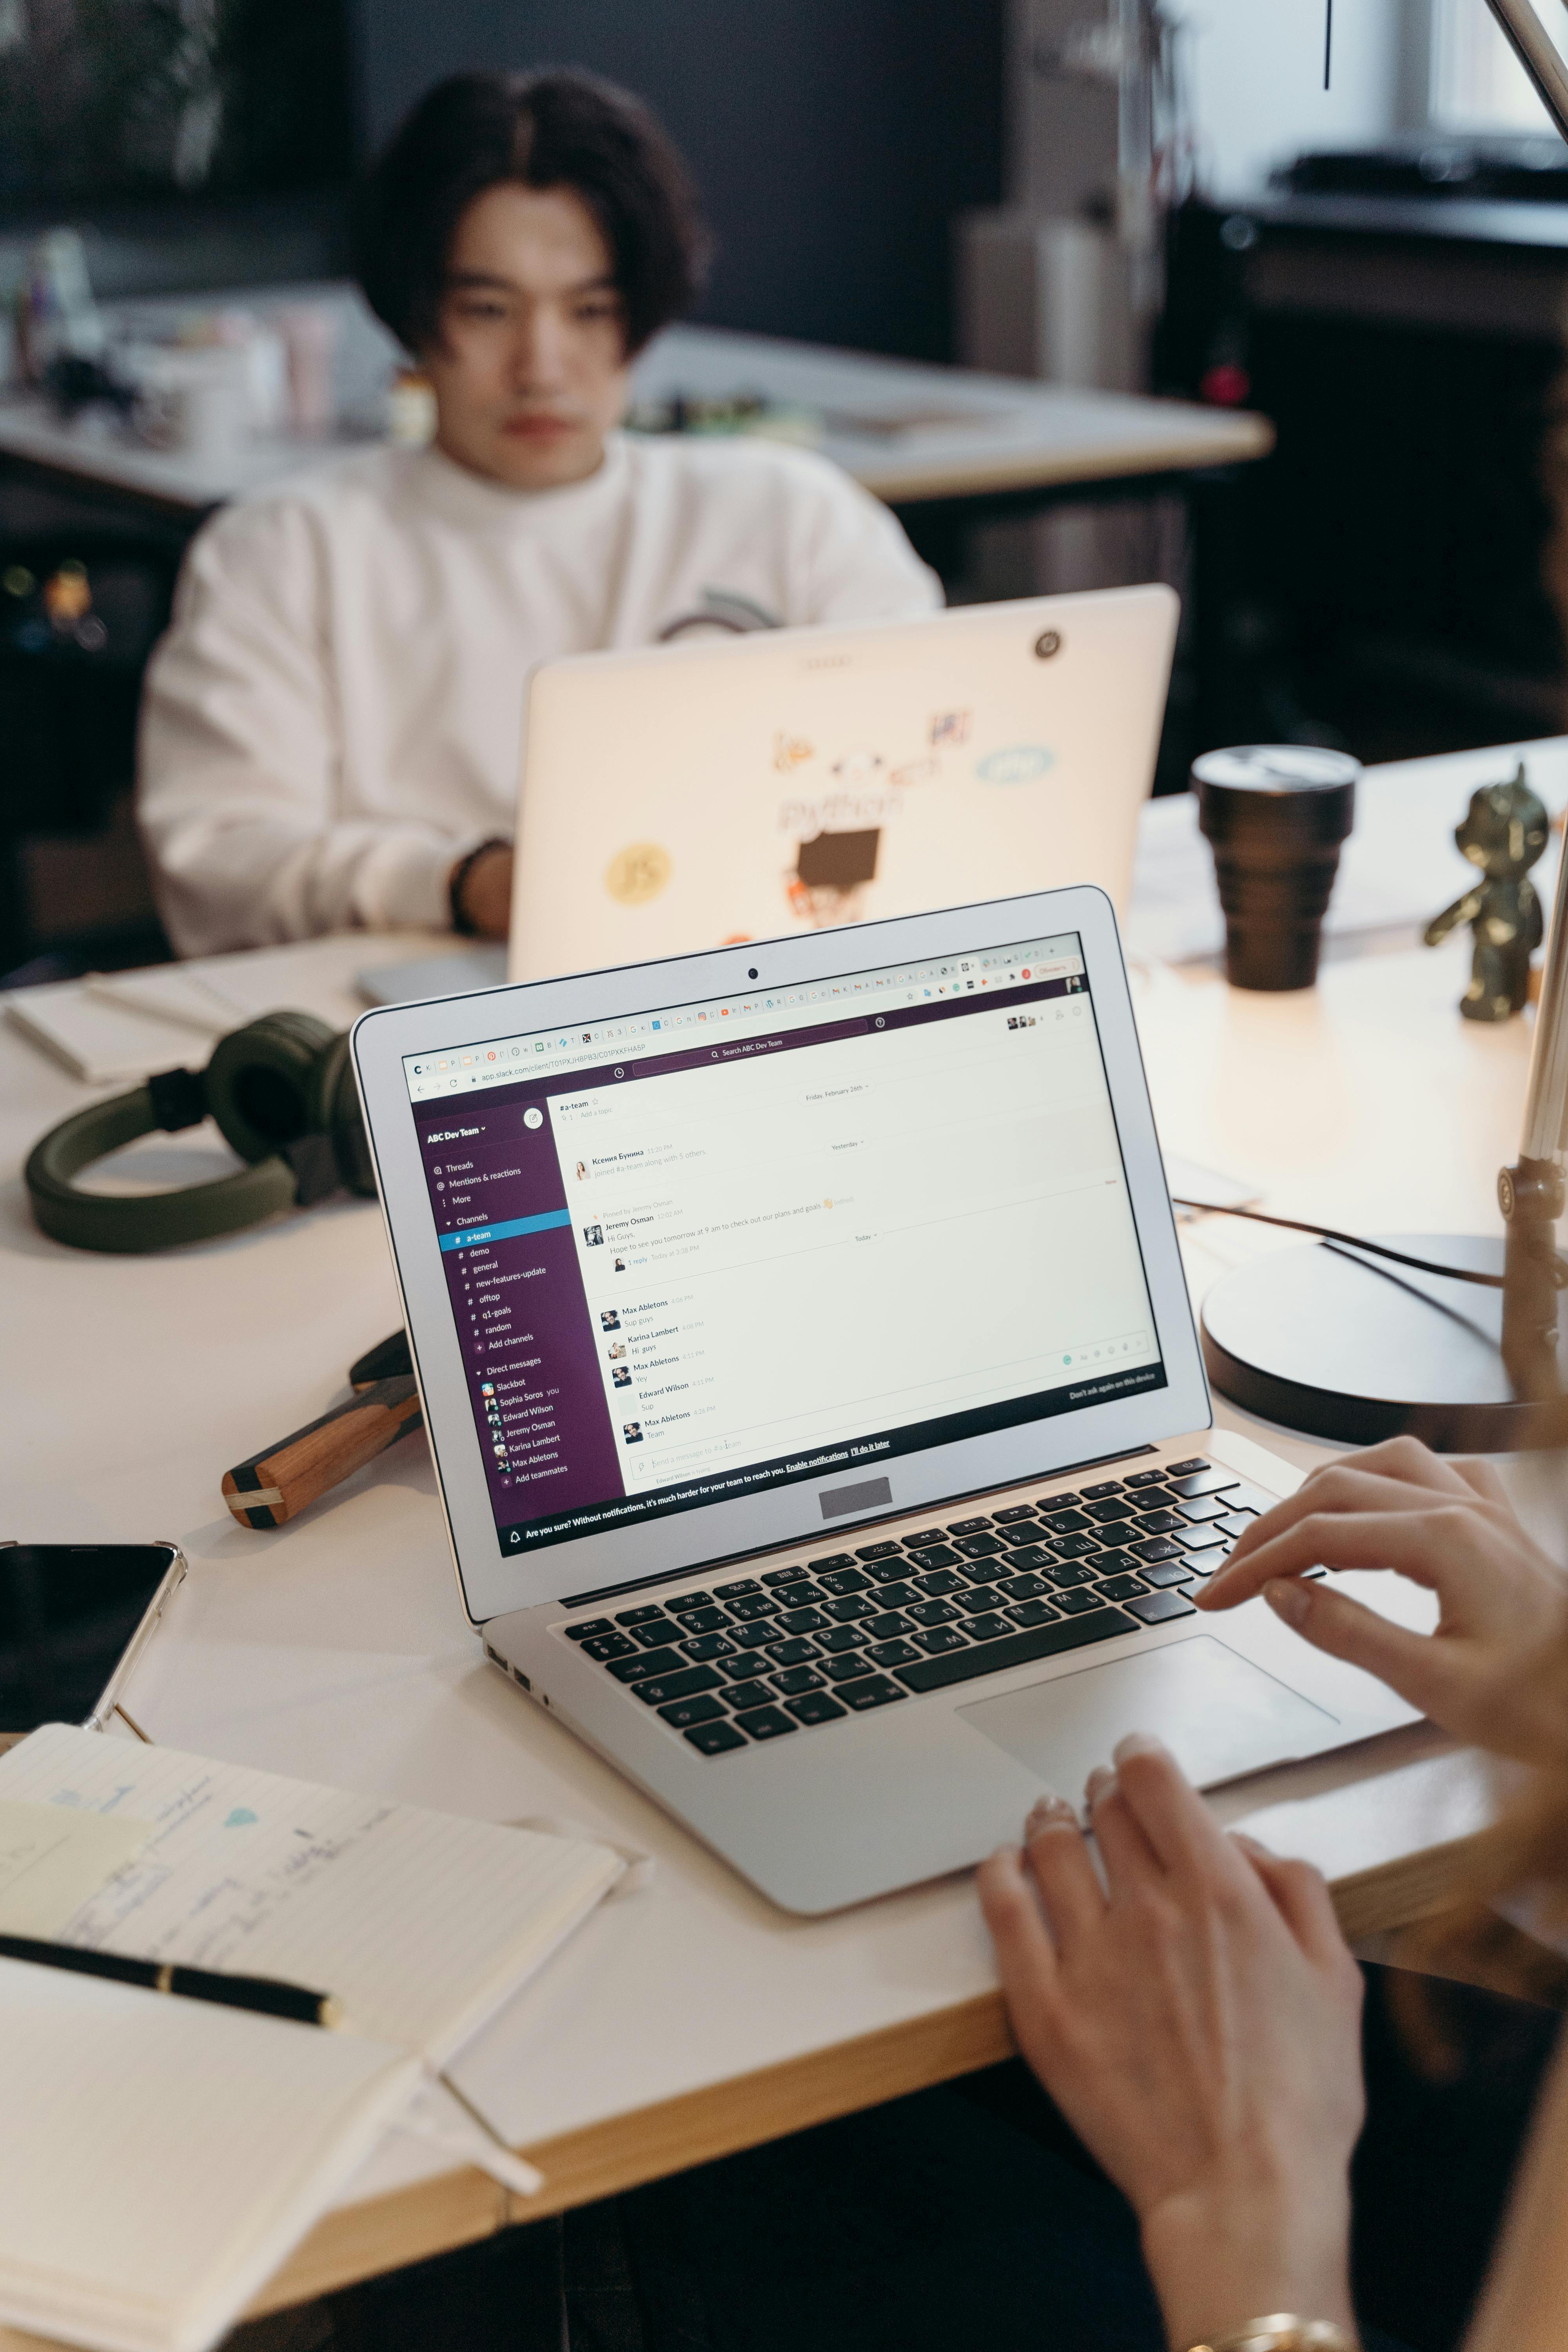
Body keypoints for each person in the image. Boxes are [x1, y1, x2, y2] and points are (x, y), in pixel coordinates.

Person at [137, 69, 940, 958]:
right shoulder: (285, 550)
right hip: (420, 1006)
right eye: (488, 310)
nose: (542, 367)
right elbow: (217, 860)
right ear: (412, 313)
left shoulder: (790, 515)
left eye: (591, 310)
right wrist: (462, 882)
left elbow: (938, 776)